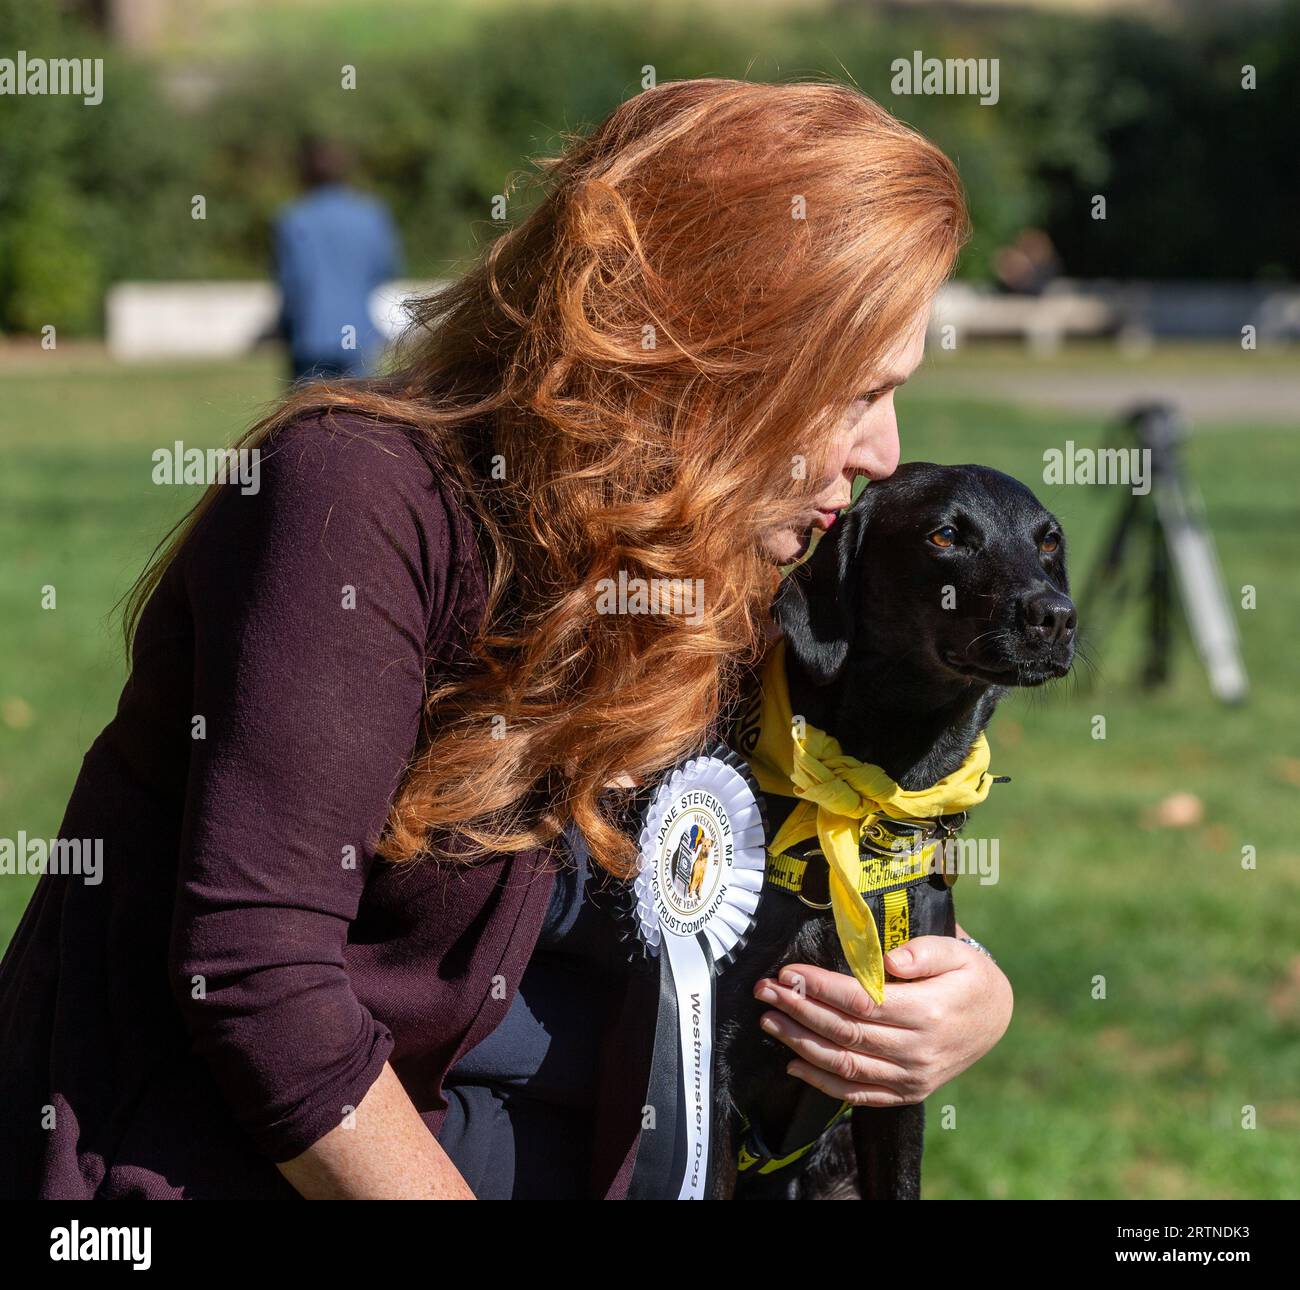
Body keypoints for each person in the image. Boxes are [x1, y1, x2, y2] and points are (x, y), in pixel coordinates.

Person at [0, 78, 1012, 1200]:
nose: (884, 450)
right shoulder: (356, 500)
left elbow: (850, 842)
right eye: (854, 393)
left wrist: (957, 996)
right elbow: (257, 981)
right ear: (718, 356)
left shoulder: (732, 563)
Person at [272, 136, 402, 383]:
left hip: (310, 335)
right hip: (359, 335)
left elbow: (292, 283)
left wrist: (283, 328)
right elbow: (385, 269)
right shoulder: (372, 216)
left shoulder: (293, 218)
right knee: (357, 417)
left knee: (307, 417)